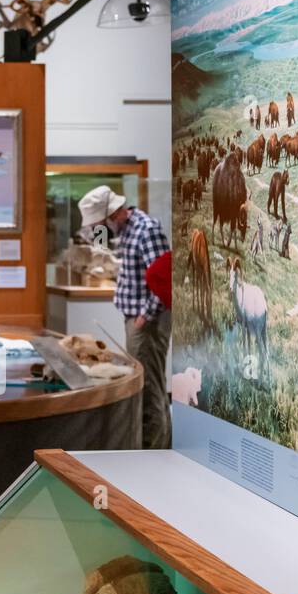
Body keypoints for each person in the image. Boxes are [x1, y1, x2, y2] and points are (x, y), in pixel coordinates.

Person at [78, 184, 172, 448]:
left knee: (149, 387)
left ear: (113, 213)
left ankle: (154, 453)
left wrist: (145, 316)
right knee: (148, 382)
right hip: (136, 317)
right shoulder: (128, 231)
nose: (100, 228)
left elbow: (165, 277)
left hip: (146, 321)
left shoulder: (147, 230)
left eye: (100, 222)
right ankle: (158, 447)